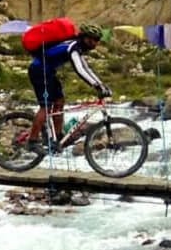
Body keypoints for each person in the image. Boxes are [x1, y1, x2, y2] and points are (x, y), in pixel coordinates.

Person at [26, 22, 111, 153]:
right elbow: (79, 69)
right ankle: (32, 141)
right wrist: (96, 86)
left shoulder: (77, 47)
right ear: (86, 38)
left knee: (59, 101)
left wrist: (101, 84)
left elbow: (86, 68)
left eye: (98, 40)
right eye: (94, 40)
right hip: (39, 71)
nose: (96, 43)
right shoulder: (73, 46)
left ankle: (58, 137)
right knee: (46, 106)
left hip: (48, 72)